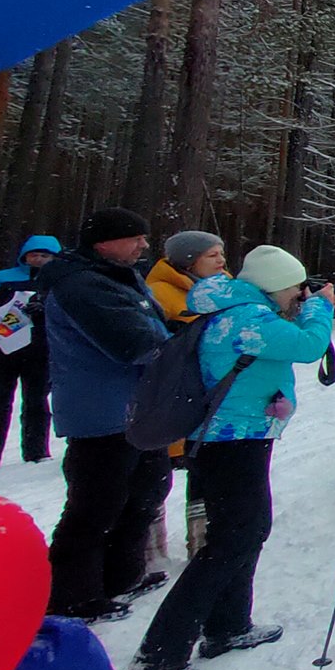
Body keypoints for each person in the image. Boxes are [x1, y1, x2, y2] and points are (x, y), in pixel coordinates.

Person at [123, 246, 335, 670]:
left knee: (240, 533)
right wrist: (320, 307)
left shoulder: (235, 308)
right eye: (294, 288)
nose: (298, 295)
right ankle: (159, 656)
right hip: (233, 439)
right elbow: (309, 345)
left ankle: (229, 625)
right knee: (235, 538)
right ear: (276, 284)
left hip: (230, 437)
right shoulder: (248, 319)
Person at [38, 208, 171, 621]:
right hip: (99, 412)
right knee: (96, 506)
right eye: (135, 237)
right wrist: (178, 346)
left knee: (145, 493)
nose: (144, 245)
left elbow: (153, 328)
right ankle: (72, 595)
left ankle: (120, 577)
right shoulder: (80, 283)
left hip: (135, 407)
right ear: (103, 243)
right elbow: (133, 342)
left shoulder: (118, 275)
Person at [146, 231, 227, 557]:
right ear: (190, 261)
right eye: (212, 255)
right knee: (155, 474)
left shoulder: (225, 287)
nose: (221, 260)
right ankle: (149, 548)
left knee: (206, 470)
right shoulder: (161, 292)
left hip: (213, 392)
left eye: (222, 253)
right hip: (174, 394)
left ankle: (201, 540)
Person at [0, 233, 60, 468]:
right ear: (24, 256)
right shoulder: (3, 278)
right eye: (34, 255)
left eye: (45, 256)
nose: (38, 260)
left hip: (40, 350)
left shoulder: (60, 282)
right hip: (2, 350)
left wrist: (45, 309)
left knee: (37, 402)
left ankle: (36, 451)